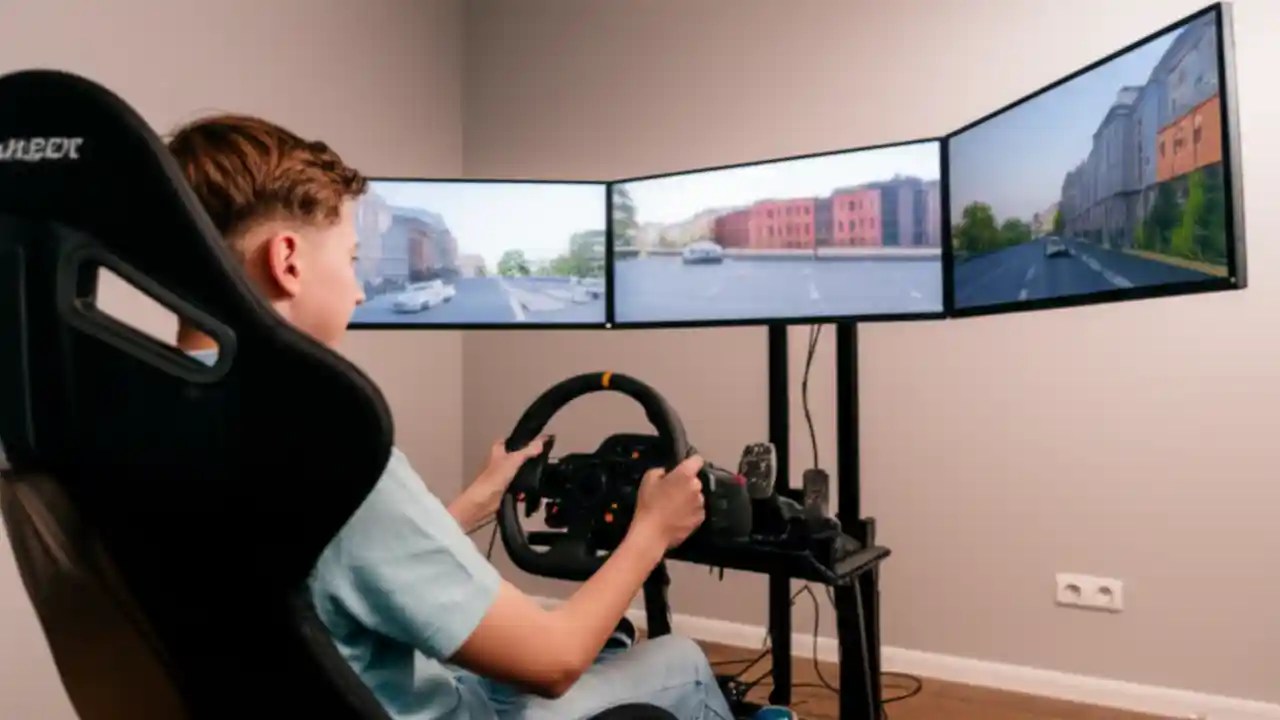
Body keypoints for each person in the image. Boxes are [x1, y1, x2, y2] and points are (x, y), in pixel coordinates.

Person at [164, 114, 755, 720]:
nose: (360, 291)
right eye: (350, 258)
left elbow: (333, 563)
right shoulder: (331, 451)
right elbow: (553, 662)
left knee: (582, 637)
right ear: (288, 261)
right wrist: (653, 530)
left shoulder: (146, 413)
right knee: (679, 657)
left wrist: (478, 499)